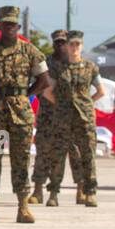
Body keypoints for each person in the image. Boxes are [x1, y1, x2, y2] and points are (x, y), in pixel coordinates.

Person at [0, 6, 52, 222]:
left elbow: (44, 80)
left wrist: (26, 95)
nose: (9, 28)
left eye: (13, 24)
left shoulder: (30, 52)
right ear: (0, 26)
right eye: (5, 24)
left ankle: (23, 207)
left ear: (18, 26)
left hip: (20, 113)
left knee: (21, 158)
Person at [47, 29, 103, 207]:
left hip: (84, 119)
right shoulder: (58, 68)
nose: (74, 48)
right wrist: (61, 104)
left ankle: (90, 192)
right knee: (58, 156)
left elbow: (101, 92)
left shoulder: (90, 67)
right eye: (71, 44)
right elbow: (48, 92)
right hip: (63, 119)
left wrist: (87, 104)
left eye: (77, 44)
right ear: (67, 46)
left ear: (82, 46)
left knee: (87, 155)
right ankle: (54, 193)